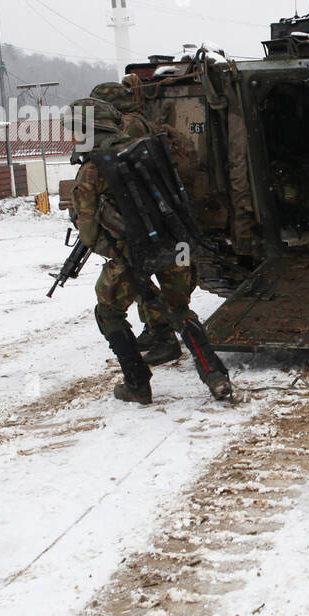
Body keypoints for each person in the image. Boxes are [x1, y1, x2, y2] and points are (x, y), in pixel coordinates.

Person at [69, 85, 231, 404]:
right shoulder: (147, 151)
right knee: (180, 311)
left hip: (133, 255)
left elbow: (88, 234)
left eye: (75, 130)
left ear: (89, 130)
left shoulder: (91, 171)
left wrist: (117, 253)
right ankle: (216, 377)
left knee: (108, 312)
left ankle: (137, 383)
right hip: (175, 242)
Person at [92, 79, 188, 366]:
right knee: (150, 274)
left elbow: (123, 163)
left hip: (143, 212)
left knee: (144, 273)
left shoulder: (128, 124)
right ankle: (158, 330)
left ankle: (164, 336)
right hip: (153, 208)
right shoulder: (140, 119)